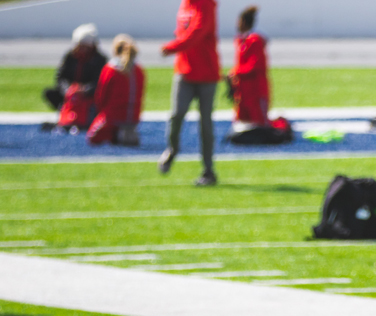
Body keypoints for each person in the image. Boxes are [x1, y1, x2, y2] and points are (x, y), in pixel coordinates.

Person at [160, 0, 221, 186]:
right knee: (176, 114)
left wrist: (172, 47)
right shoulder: (185, 4)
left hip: (207, 74)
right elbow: (182, 31)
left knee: (205, 124)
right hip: (184, 71)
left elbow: (198, 32)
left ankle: (208, 170)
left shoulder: (206, 4)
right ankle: (173, 150)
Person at [224, 6, 292, 145]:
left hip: (256, 89)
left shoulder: (255, 41)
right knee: (242, 121)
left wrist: (235, 72)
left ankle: (282, 126)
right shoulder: (240, 41)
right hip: (243, 90)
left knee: (260, 123)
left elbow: (256, 66)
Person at [43, 24, 108, 130]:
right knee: (49, 93)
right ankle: (66, 116)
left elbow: (100, 82)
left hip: (90, 96)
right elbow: (60, 77)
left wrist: (84, 90)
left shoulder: (100, 59)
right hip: (70, 94)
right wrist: (68, 89)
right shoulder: (70, 56)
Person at [87, 35, 145, 147]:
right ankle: (126, 132)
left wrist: (101, 114)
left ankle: (114, 133)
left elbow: (101, 96)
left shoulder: (110, 69)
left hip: (113, 116)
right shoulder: (139, 70)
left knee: (92, 138)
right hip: (134, 117)